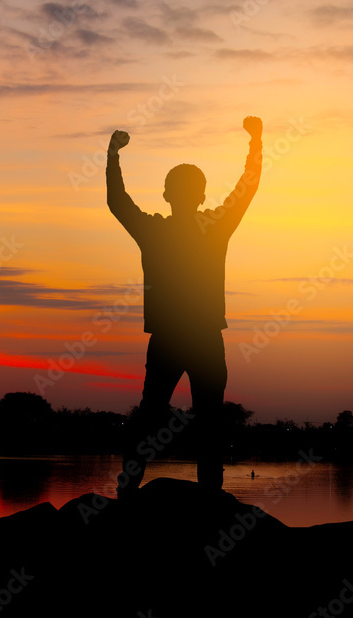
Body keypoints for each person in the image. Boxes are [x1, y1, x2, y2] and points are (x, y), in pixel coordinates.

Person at [106, 117, 263, 496]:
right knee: (208, 418)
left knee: (152, 413)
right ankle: (209, 495)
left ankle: (129, 489)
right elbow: (247, 188)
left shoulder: (155, 230)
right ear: (202, 195)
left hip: (173, 337)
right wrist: (255, 143)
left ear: (166, 195)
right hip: (203, 337)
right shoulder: (215, 225)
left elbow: (117, 201)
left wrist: (113, 155)